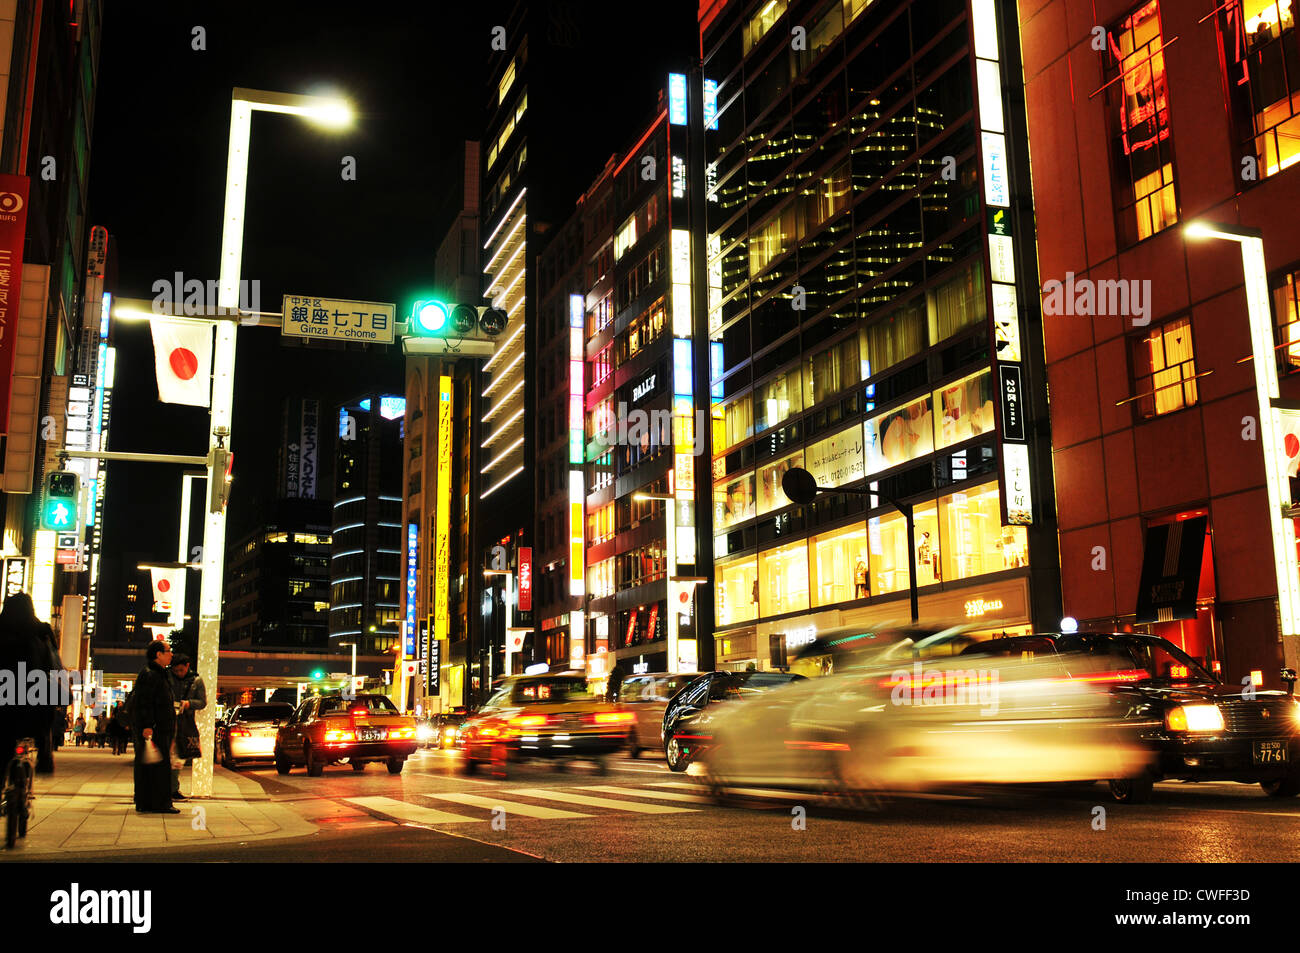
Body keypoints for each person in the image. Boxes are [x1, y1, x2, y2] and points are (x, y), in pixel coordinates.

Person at [0, 593, 60, 773]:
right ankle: (45, 756)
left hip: (4, 697)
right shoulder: (41, 629)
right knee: (46, 711)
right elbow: (54, 660)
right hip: (33, 696)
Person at [132, 641, 178, 814]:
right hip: (154, 729)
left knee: (153, 766)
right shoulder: (150, 674)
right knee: (155, 767)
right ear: (158, 654)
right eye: (168, 651)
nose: (171, 654)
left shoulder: (158, 673)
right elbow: (144, 702)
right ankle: (156, 803)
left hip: (160, 728)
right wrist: (147, 725)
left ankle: (151, 802)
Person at [165, 653, 206, 800]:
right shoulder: (167, 677)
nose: (178, 673)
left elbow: (202, 702)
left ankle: (173, 789)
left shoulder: (196, 680)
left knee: (178, 756)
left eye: (181, 670)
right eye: (175, 671)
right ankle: (165, 789)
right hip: (166, 720)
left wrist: (189, 703)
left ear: (187, 666)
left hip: (184, 722)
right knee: (164, 755)